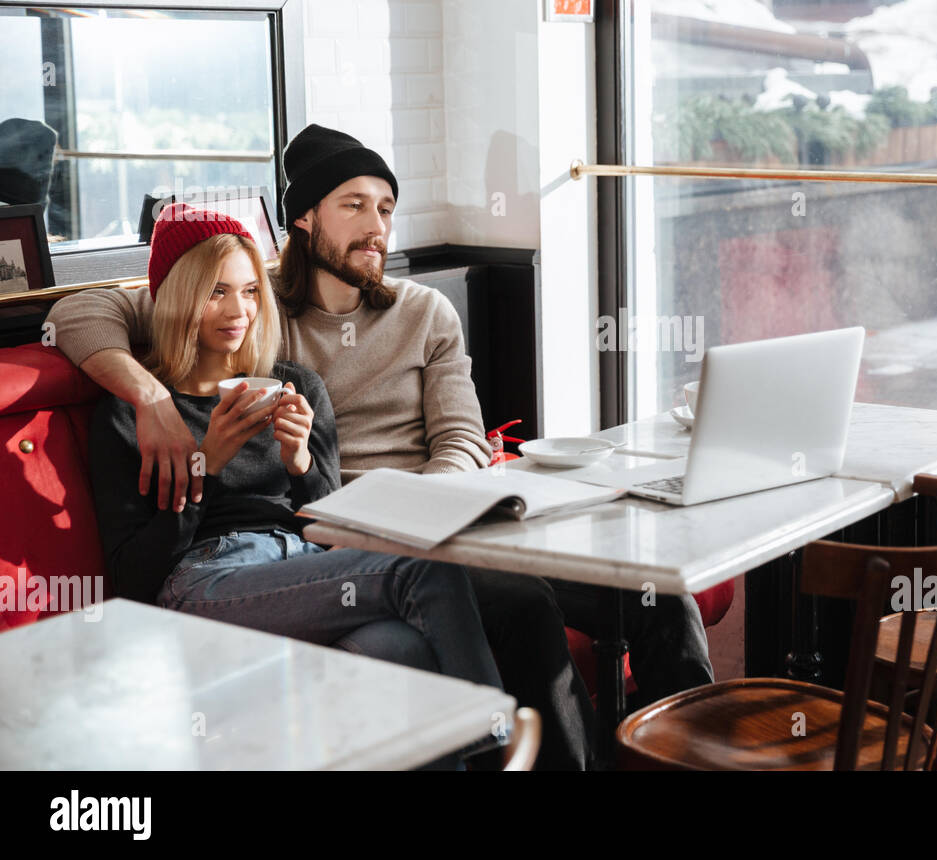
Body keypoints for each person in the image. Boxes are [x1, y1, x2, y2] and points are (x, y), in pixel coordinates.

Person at [51, 124, 714, 770]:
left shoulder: (420, 315)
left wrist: (426, 507)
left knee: (659, 592)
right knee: (516, 609)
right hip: (346, 545)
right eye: (355, 204)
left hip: (442, 522)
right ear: (305, 220)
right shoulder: (256, 318)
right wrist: (153, 399)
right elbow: (86, 313)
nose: (377, 226)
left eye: (387, 208)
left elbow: (458, 439)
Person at [88, 203, 502, 715]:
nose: (238, 311)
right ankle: (498, 738)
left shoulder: (297, 386)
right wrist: (206, 465)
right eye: (215, 292)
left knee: (401, 650)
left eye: (250, 291)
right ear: (175, 298)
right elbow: (133, 577)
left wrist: (300, 461)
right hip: (203, 583)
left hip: (302, 566)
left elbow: (331, 525)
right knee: (420, 567)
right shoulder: (132, 416)